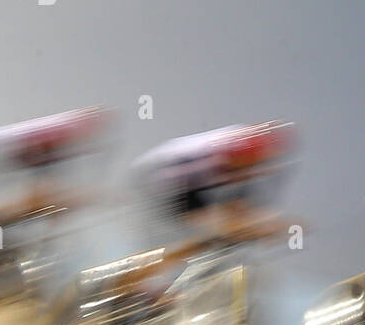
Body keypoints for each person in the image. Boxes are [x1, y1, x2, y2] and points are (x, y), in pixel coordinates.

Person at [123, 121, 298, 296]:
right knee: (185, 240)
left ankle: (178, 287)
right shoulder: (194, 165)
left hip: (191, 183)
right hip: (157, 182)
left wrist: (258, 225)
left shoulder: (251, 164)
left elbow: (242, 208)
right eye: (242, 167)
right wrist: (236, 227)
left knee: (222, 235)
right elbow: (193, 215)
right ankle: (137, 285)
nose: (249, 173)